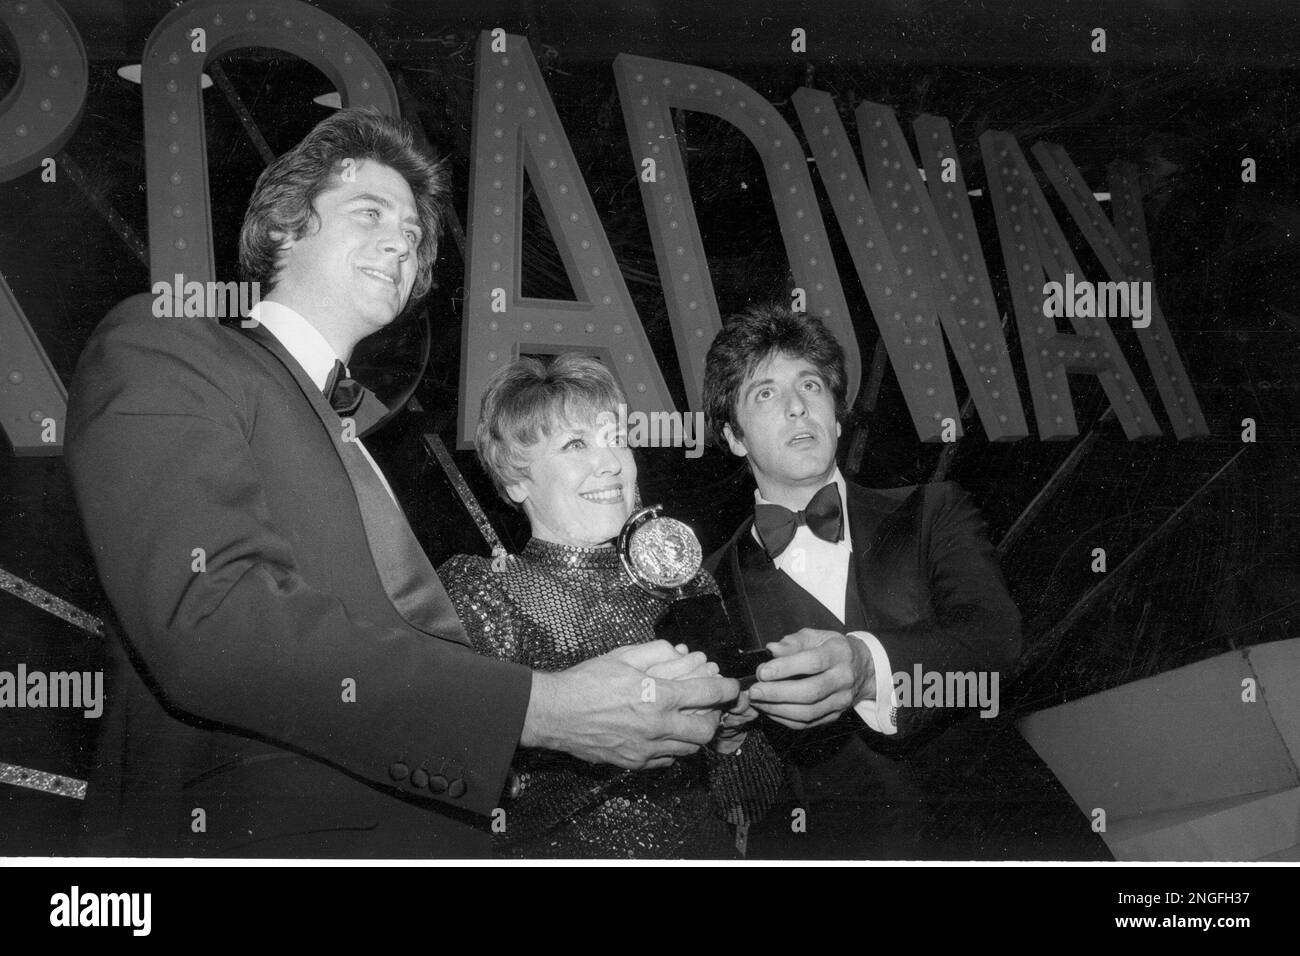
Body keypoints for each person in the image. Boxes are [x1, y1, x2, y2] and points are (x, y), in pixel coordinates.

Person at [63, 107, 738, 858]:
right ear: (288, 223)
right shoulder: (167, 346)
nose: (401, 242)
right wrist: (536, 710)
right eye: (369, 212)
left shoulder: (347, 429)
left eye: (415, 236)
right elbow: (214, 619)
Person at [701, 303, 1106, 859]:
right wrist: (730, 740)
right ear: (734, 437)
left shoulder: (934, 510)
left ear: (837, 417)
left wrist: (868, 668)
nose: (797, 407)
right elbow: (742, 798)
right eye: (765, 393)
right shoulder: (710, 585)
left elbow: (998, 641)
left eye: (811, 385)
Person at [439, 354, 783, 858]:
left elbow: (746, 806)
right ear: (515, 480)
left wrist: (731, 739)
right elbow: (458, 796)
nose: (610, 461)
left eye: (615, 438)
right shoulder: (486, 591)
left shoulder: (689, 586)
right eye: (576, 444)